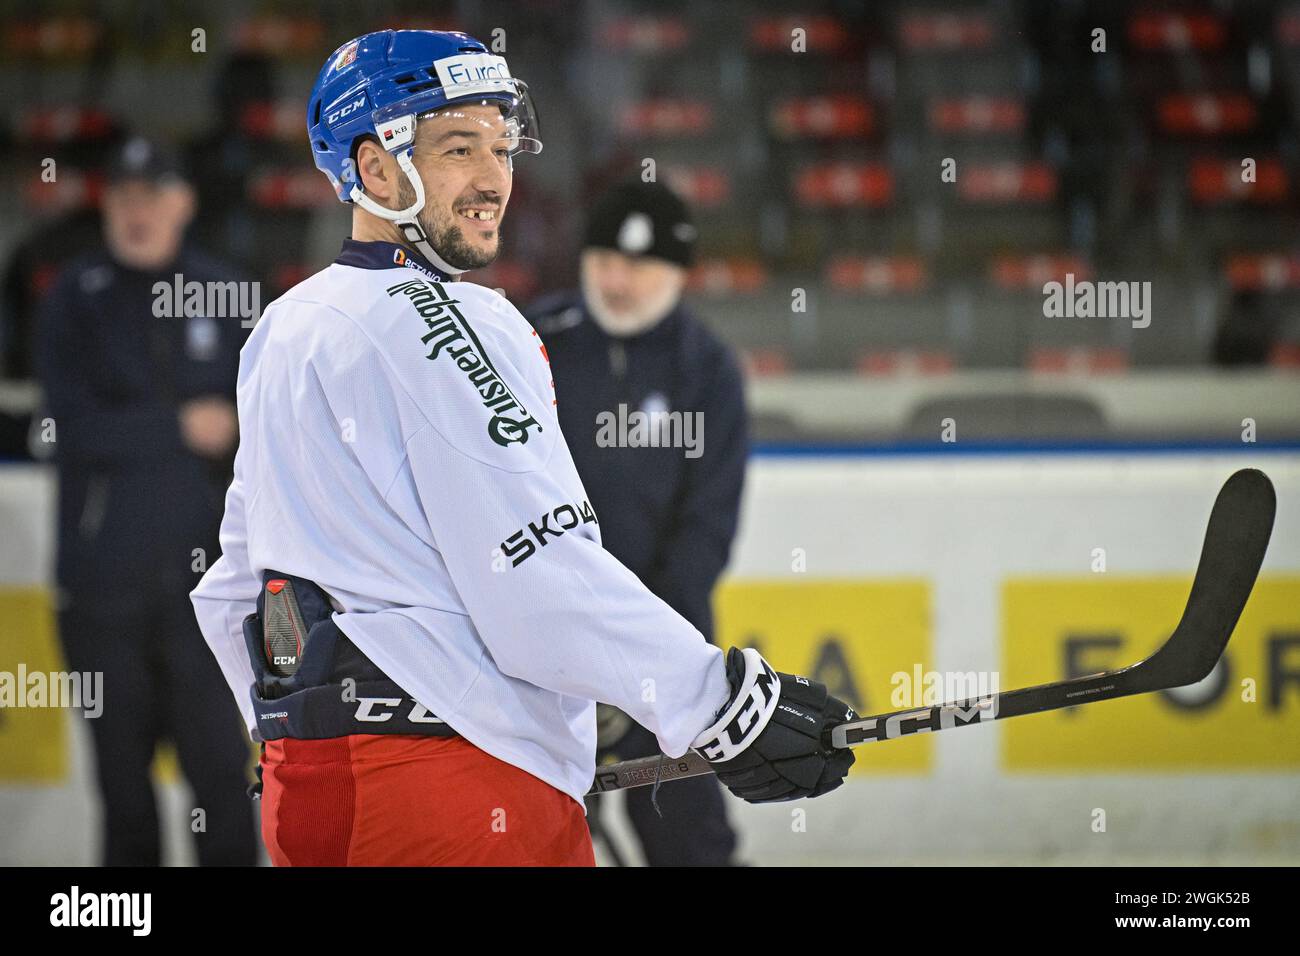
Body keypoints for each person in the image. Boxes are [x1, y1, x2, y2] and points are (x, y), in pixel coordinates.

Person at [190, 29, 854, 867]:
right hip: (453, 799)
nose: (493, 180)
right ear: (374, 168)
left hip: (312, 789)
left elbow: (236, 587)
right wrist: (720, 703)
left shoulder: (288, 326)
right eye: (458, 149)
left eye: (501, 148)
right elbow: (535, 572)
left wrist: (292, 739)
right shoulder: (460, 321)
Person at [34, 135, 256, 866]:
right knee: (122, 789)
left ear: (183, 203)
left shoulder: (226, 293)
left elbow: (265, 425)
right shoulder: (73, 296)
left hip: (205, 596)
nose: (139, 213)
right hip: (102, 594)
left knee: (222, 776)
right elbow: (62, 425)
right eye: (124, 198)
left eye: (153, 196)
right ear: (106, 206)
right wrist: (178, 427)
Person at [525, 177, 747, 865]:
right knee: (528, 827)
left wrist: (638, 660)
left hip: (665, 639)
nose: (617, 280)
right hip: (537, 641)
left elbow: (706, 526)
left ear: (678, 275)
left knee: (686, 826)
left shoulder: (707, 370)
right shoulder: (530, 343)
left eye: (639, 266)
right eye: (604, 261)